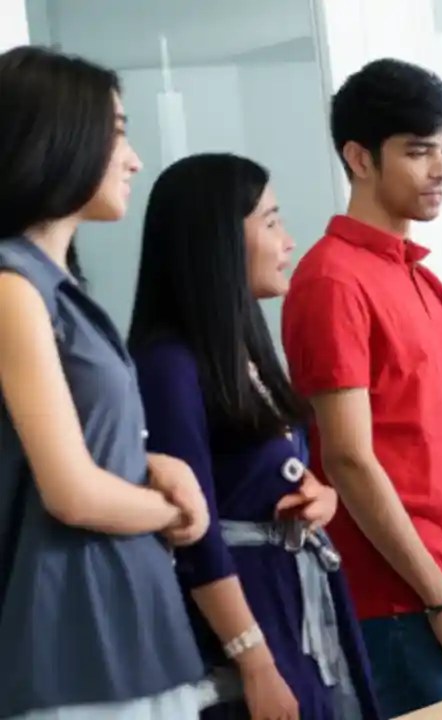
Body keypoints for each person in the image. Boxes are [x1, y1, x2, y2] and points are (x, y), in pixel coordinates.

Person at [280, 58, 442, 715]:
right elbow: (347, 457)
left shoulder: (423, 280)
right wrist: (439, 596)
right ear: (360, 158)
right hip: (403, 602)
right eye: (419, 152)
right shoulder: (332, 281)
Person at [129, 153, 381, 719]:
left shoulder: (244, 347)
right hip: (248, 618)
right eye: (270, 222)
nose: (288, 240)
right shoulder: (167, 365)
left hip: (294, 599)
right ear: (216, 243)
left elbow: (264, 470)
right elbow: (194, 532)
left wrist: (323, 497)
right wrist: (254, 662)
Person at [0, 46, 210, 718]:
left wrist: (155, 462)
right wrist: (177, 512)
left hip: (122, 624)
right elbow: (72, 492)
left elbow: (64, 441)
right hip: (74, 641)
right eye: (118, 132)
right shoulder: (12, 287)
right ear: (59, 136)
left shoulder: (52, 287)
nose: (134, 159)